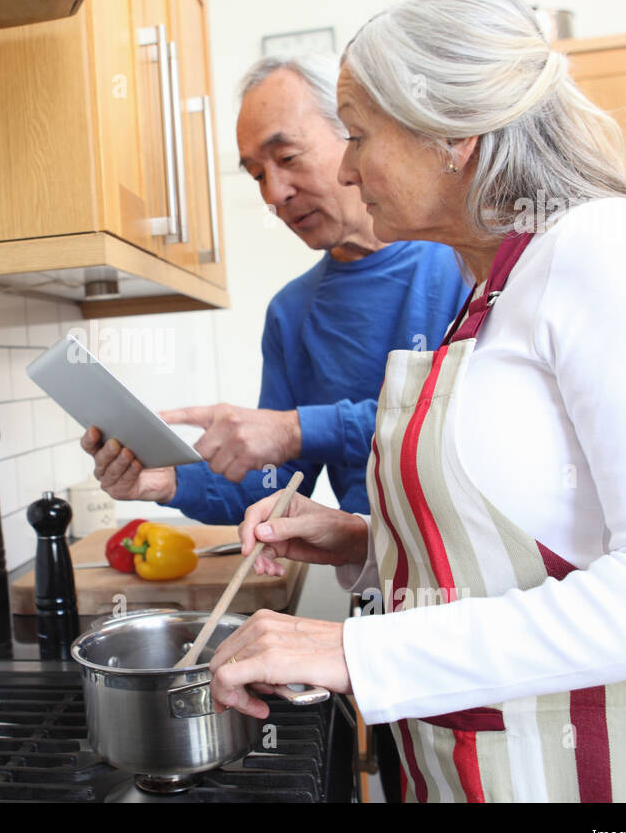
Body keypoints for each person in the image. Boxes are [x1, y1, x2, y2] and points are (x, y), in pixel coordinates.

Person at [210, 0, 626, 803]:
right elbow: (541, 531)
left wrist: (356, 653)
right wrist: (368, 542)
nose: (352, 168)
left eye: (360, 136)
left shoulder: (607, 254)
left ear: (454, 134)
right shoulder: (493, 288)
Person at [82, 55, 471, 521]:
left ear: (354, 137)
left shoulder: (465, 261)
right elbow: (274, 482)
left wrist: (297, 428)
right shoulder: (293, 313)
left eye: (287, 158)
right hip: (379, 583)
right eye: (257, 175)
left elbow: (468, 417)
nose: (274, 194)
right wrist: (168, 482)